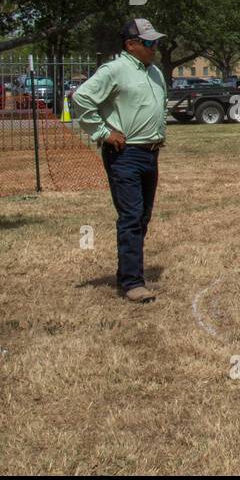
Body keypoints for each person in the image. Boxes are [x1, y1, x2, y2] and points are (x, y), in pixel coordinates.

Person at [72, 18, 168, 303]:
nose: (155, 47)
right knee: (131, 217)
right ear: (131, 44)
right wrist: (103, 132)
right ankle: (133, 283)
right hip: (124, 155)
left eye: (156, 42)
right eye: (149, 42)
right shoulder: (114, 70)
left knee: (143, 216)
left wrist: (159, 131)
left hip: (151, 153)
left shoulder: (156, 73)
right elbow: (81, 98)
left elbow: (160, 106)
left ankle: (127, 272)